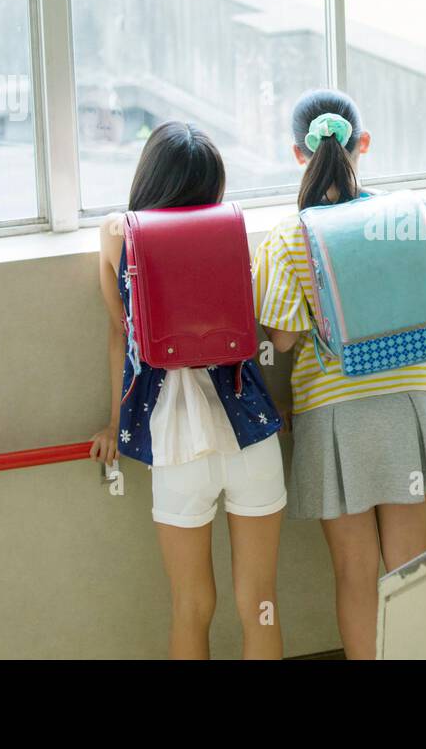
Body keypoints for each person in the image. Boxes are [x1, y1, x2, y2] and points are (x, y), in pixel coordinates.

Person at [252, 89, 426, 659]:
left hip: (333, 414)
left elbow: (281, 338)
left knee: (354, 572)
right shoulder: (406, 217)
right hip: (409, 404)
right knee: (411, 563)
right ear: (363, 144)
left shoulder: (285, 238)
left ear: (298, 153)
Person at [90, 121, 286, 659]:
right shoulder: (233, 230)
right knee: (260, 604)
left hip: (173, 441)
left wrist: (114, 422)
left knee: (190, 607)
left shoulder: (116, 234)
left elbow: (122, 336)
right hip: (250, 429)